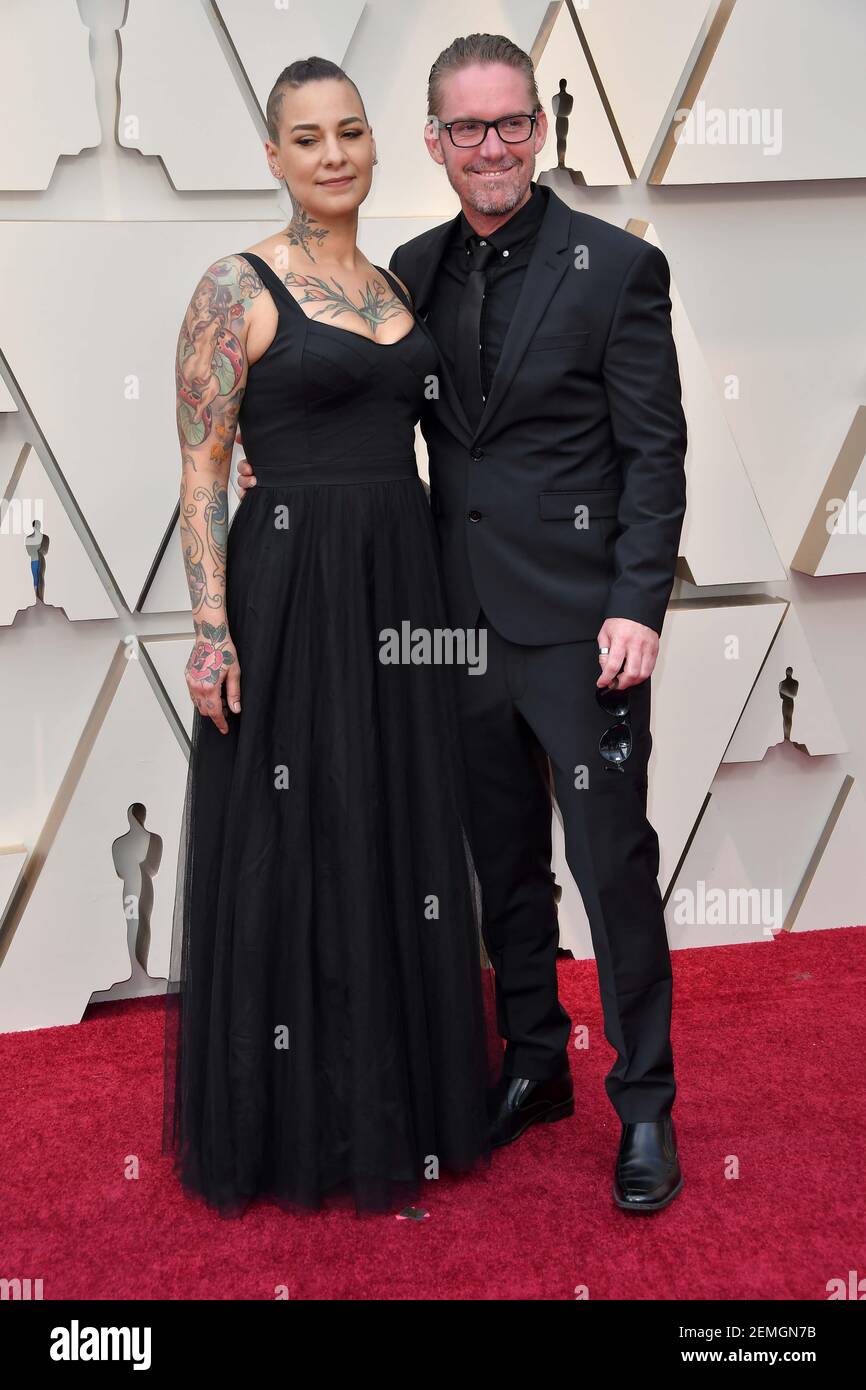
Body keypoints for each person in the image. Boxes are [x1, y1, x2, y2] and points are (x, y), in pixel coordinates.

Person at [238, 33, 688, 1213]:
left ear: (537, 131)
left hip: (583, 624)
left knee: (611, 866)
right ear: (432, 142)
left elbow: (652, 453)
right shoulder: (411, 266)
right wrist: (276, 469)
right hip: (451, 626)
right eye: (466, 129)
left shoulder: (615, 266)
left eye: (511, 126)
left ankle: (643, 1104)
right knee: (499, 870)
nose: (492, 148)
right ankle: (535, 1064)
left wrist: (637, 605)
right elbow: (374, 408)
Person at [162, 56, 501, 1218]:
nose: (333, 155)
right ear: (273, 158)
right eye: (306, 138)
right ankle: (287, 1120)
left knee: (393, 821)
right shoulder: (233, 285)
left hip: (397, 582)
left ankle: (391, 1104)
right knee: (292, 832)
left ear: (378, 142)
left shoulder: (405, 283)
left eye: (350, 132)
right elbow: (203, 467)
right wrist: (210, 630)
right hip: (289, 583)